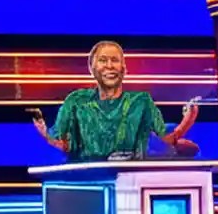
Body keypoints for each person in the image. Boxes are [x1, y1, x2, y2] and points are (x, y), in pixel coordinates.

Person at [31, 40, 199, 161]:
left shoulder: (141, 102)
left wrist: (188, 120)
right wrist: (47, 136)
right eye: (103, 61)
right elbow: (65, 145)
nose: (109, 66)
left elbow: (166, 141)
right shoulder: (76, 101)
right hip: (90, 186)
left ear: (124, 69)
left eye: (115, 61)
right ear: (92, 68)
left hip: (134, 183)